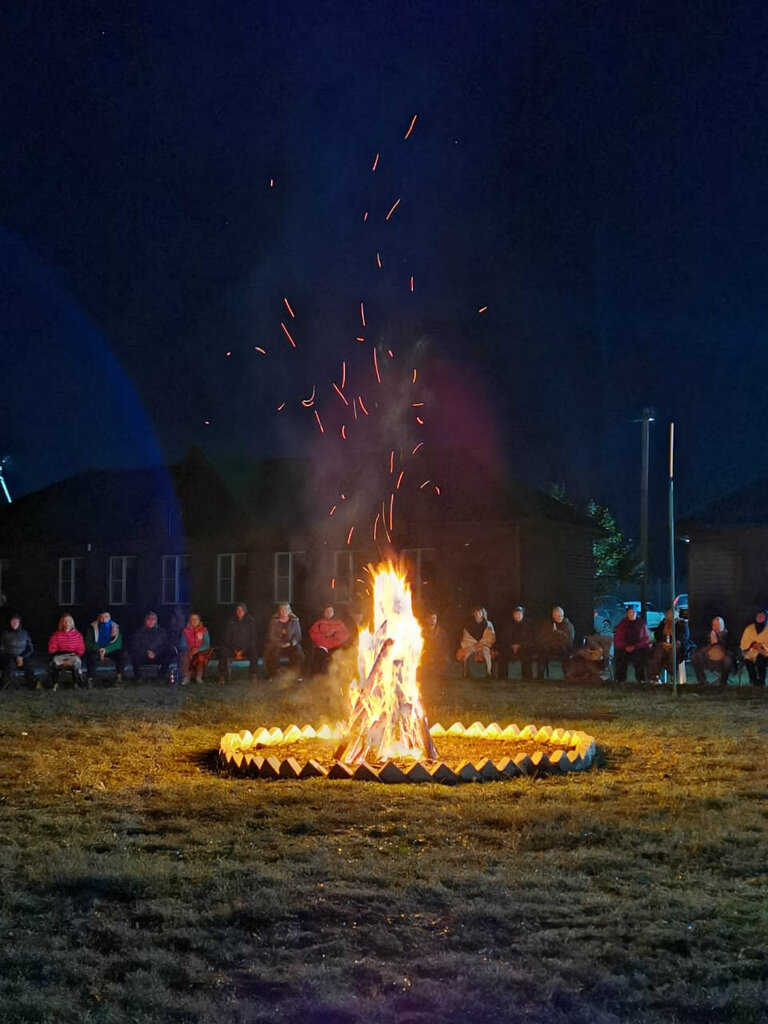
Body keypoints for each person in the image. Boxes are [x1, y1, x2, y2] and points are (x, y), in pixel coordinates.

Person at [218, 602, 260, 683]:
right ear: (235, 611)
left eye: (242, 610)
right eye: (238, 609)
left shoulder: (250, 621)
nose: (240, 611)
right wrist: (235, 650)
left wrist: (242, 651)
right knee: (223, 651)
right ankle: (222, 676)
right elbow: (226, 638)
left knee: (254, 652)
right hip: (232, 648)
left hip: (246, 649)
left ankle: (254, 674)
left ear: (245, 611)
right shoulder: (230, 622)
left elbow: (253, 639)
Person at [648, 609, 691, 683]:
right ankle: (655, 677)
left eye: (672, 615)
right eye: (668, 615)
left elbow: (683, 637)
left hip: (677, 646)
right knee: (657, 653)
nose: (669, 617)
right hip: (663, 645)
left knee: (673, 654)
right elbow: (657, 635)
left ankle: (672, 676)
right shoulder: (663, 623)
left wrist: (674, 643)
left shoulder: (681, 624)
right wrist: (662, 641)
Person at [264, 602, 305, 679]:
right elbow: (271, 636)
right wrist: (280, 644)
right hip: (277, 644)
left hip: (290, 644)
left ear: (289, 610)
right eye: (281, 610)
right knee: (272, 653)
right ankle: (272, 675)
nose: (283, 612)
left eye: (285, 610)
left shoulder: (294, 621)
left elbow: (298, 635)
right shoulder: (274, 621)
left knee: (298, 654)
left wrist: (291, 643)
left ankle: (295, 674)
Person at [85, 611, 126, 686]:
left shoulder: (115, 627)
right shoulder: (92, 628)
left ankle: (119, 677)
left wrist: (106, 649)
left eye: (106, 617)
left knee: (122, 655)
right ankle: (91, 679)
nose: (104, 619)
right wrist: (99, 649)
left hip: (110, 650)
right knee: (91, 657)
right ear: (98, 618)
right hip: (97, 650)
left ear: (109, 618)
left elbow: (118, 643)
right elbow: (88, 643)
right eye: (101, 617)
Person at [692, 616, 736, 686]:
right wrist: (710, 642)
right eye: (713, 625)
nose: (715, 627)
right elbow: (702, 647)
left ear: (722, 625)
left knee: (728, 660)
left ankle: (723, 682)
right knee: (695, 656)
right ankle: (702, 681)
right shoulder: (709, 635)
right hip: (708, 660)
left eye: (717, 625)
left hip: (722, 661)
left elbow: (731, 649)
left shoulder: (729, 635)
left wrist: (719, 640)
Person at [613, 606, 652, 683]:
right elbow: (617, 638)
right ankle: (620, 680)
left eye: (633, 612)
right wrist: (625, 646)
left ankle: (641, 680)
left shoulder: (641, 624)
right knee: (620, 657)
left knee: (639, 658)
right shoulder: (622, 624)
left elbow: (646, 639)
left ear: (636, 613)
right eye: (629, 612)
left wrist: (635, 646)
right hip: (624, 648)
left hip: (638, 648)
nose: (631, 614)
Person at [308, 605, 350, 675]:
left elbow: (344, 634)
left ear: (333, 612)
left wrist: (334, 634)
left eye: (330, 611)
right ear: (324, 612)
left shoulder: (338, 623)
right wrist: (325, 636)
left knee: (340, 655)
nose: (329, 612)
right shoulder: (319, 623)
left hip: (336, 646)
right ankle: (319, 679)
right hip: (322, 647)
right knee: (319, 656)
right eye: (327, 611)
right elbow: (313, 634)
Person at [129, 611, 170, 682]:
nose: (151, 621)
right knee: (135, 655)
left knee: (168, 654)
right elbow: (134, 645)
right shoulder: (139, 632)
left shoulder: (162, 632)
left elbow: (165, 645)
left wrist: (156, 653)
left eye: (153, 619)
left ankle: (160, 676)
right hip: (143, 655)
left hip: (157, 655)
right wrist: (146, 652)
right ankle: (138, 678)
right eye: (149, 619)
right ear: (145, 620)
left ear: (156, 621)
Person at [47, 614, 86, 689]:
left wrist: (75, 655)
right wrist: (61, 658)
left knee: (76, 663)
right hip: (60, 655)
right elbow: (52, 648)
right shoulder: (56, 635)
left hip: (73, 655)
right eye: (64, 621)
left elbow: (81, 649)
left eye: (68, 621)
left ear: (71, 622)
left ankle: (77, 683)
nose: (66, 623)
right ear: (61, 623)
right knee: (54, 663)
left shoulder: (78, 635)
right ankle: (54, 683)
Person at [457, 606, 496, 677]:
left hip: (484, 646)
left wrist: (481, 644)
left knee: (487, 655)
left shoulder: (488, 624)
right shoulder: (468, 625)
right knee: (466, 655)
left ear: (482, 614)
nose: (478, 614)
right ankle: (466, 673)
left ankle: (488, 673)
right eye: (476, 613)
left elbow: (490, 637)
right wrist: (474, 645)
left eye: (479, 613)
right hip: (471, 646)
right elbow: (466, 638)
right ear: (474, 614)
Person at [537, 606, 575, 676]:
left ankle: (567, 675)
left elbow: (569, 641)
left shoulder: (568, 626)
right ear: (553, 616)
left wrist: (558, 632)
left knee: (564, 652)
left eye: (561, 616)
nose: (560, 618)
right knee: (541, 650)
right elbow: (542, 637)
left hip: (563, 648)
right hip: (550, 647)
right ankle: (540, 676)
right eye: (558, 616)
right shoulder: (548, 625)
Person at [0, 613, 35, 689]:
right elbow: (1, 648)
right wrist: (7, 656)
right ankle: (7, 685)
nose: (14, 624)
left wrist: (21, 657)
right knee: (9, 667)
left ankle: (31, 685)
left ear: (19, 623)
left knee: (29, 667)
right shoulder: (5, 633)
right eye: (13, 622)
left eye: (16, 622)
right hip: (9, 656)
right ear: (10, 622)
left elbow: (30, 648)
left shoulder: (25, 633)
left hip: (22, 656)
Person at [178, 613, 212, 685]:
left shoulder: (204, 630)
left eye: (195, 619)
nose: (193, 621)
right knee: (184, 656)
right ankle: (186, 677)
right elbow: (182, 643)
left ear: (199, 620)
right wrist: (189, 650)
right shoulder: (185, 631)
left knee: (201, 657)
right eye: (192, 619)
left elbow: (206, 644)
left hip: (200, 650)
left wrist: (197, 649)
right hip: (188, 650)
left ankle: (199, 677)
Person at [740, 609, 768, 686]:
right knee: (748, 661)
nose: (759, 618)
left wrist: (762, 646)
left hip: (765, 653)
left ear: (766, 618)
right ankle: (755, 681)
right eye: (758, 616)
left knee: (760, 659)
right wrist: (752, 644)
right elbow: (743, 643)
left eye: (762, 616)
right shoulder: (749, 629)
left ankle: (761, 681)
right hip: (751, 653)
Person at [420, 611, 450, 678]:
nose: (432, 621)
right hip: (425, 656)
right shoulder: (422, 631)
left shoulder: (441, 632)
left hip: (438, 656)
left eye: (434, 618)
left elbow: (445, 646)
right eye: (430, 618)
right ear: (426, 620)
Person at [506, 606, 534, 679]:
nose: (517, 616)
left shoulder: (528, 624)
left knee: (527, 656)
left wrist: (520, 645)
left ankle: (527, 678)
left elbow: (531, 639)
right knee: (503, 655)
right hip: (511, 647)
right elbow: (505, 637)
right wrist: (512, 645)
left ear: (522, 615)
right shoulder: (509, 624)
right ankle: (503, 677)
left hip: (524, 647)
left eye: (519, 614)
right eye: (516, 614)